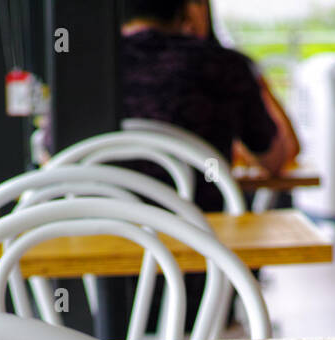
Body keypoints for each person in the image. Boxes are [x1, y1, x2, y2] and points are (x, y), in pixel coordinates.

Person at [120, 0, 292, 212]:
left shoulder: (86, 64)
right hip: (204, 225)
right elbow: (274, 160)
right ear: (185, 10)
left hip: (99, 227)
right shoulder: (224, 65)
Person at [179, 0, 301, 172]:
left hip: (131, 198)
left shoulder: (226, 68)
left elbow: (288, 149)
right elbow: (280, 155)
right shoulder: (228, 66)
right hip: (215, 194)